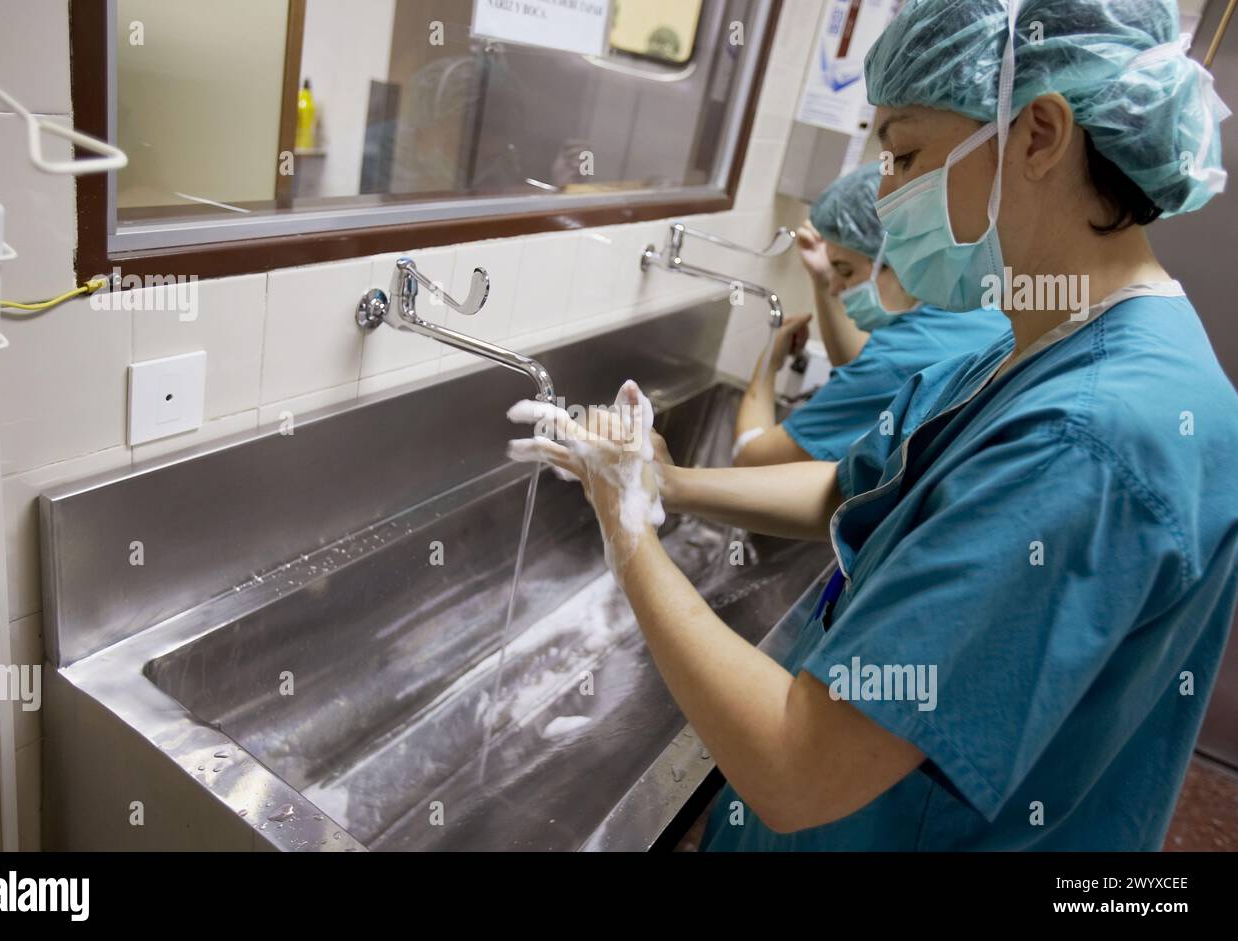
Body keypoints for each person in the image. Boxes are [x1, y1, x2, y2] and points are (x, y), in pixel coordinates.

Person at [509, 0, 1236, 851]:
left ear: (1039, 133)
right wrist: (665, 481)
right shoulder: (1032, 338)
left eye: (905, 153)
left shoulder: (1087, 442)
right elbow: (852, 486)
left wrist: (629, 530)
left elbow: (797, 763)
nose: (886, 195)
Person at [734, 162, 1008, 466]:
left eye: (845, 271)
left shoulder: (895, 359)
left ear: (901, 260)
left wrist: (769, 362)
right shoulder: (974, 307)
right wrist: (823, 278)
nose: (838, 288)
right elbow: (866, 371)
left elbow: (751, 458)